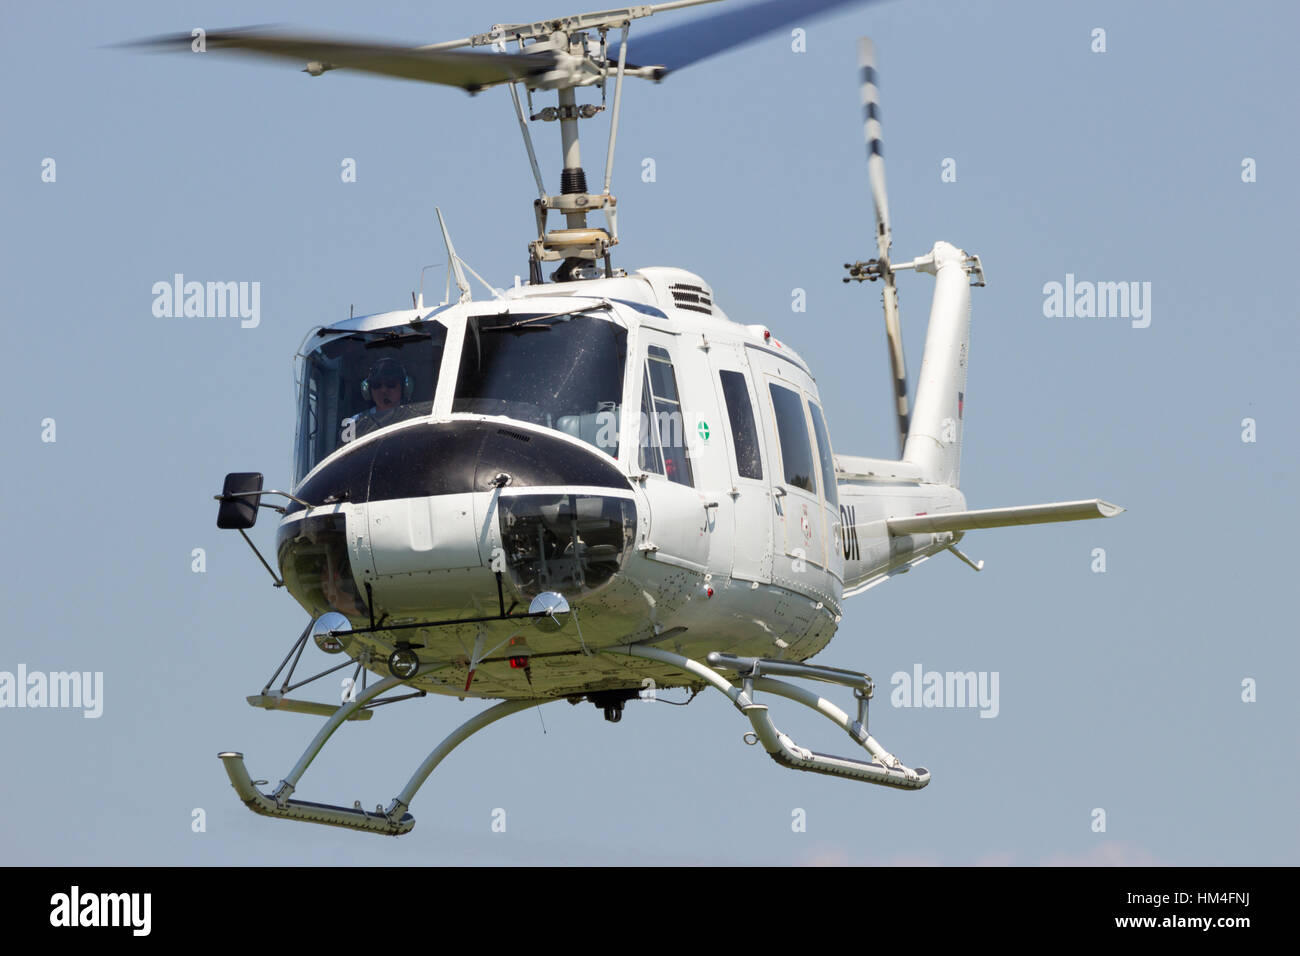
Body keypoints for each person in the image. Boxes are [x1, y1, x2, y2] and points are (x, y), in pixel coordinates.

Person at [342, 357, 412, 442]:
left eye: (391, 384)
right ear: (368, 390)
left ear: (404, 388)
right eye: (376, 385)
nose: (383, 390)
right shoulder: (354, 423)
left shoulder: (414, 420)